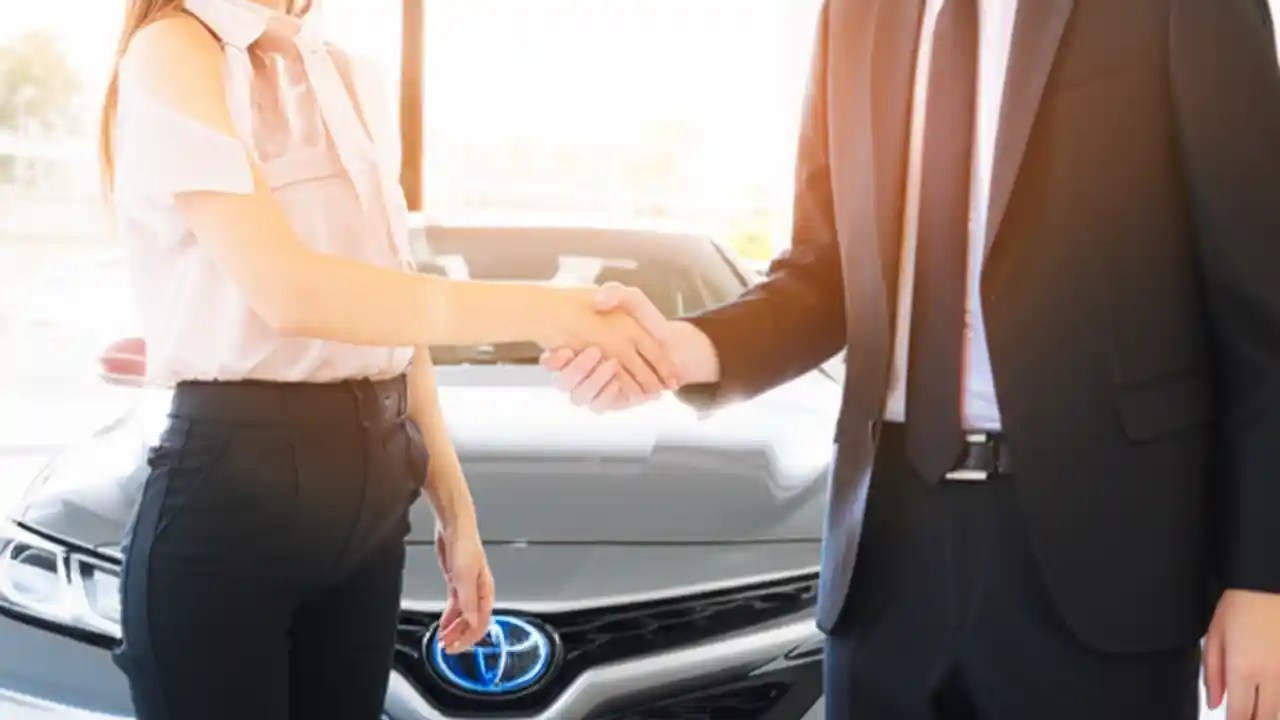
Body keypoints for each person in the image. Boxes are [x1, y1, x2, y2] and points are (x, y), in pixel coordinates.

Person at [545, 0, 1280, 717]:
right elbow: (822, 274)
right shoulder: (854, 13)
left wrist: (1263, 581)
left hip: (1104, 552)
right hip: (886, 556)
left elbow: (1261, 308)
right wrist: (685, 349)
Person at [99, 1, 676, 718]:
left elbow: (396, 316)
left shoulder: (344, 73)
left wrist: (458, 518)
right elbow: (291, 292)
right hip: (232, 498)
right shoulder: (174, 47)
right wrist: (552, 310)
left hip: (372, 499)